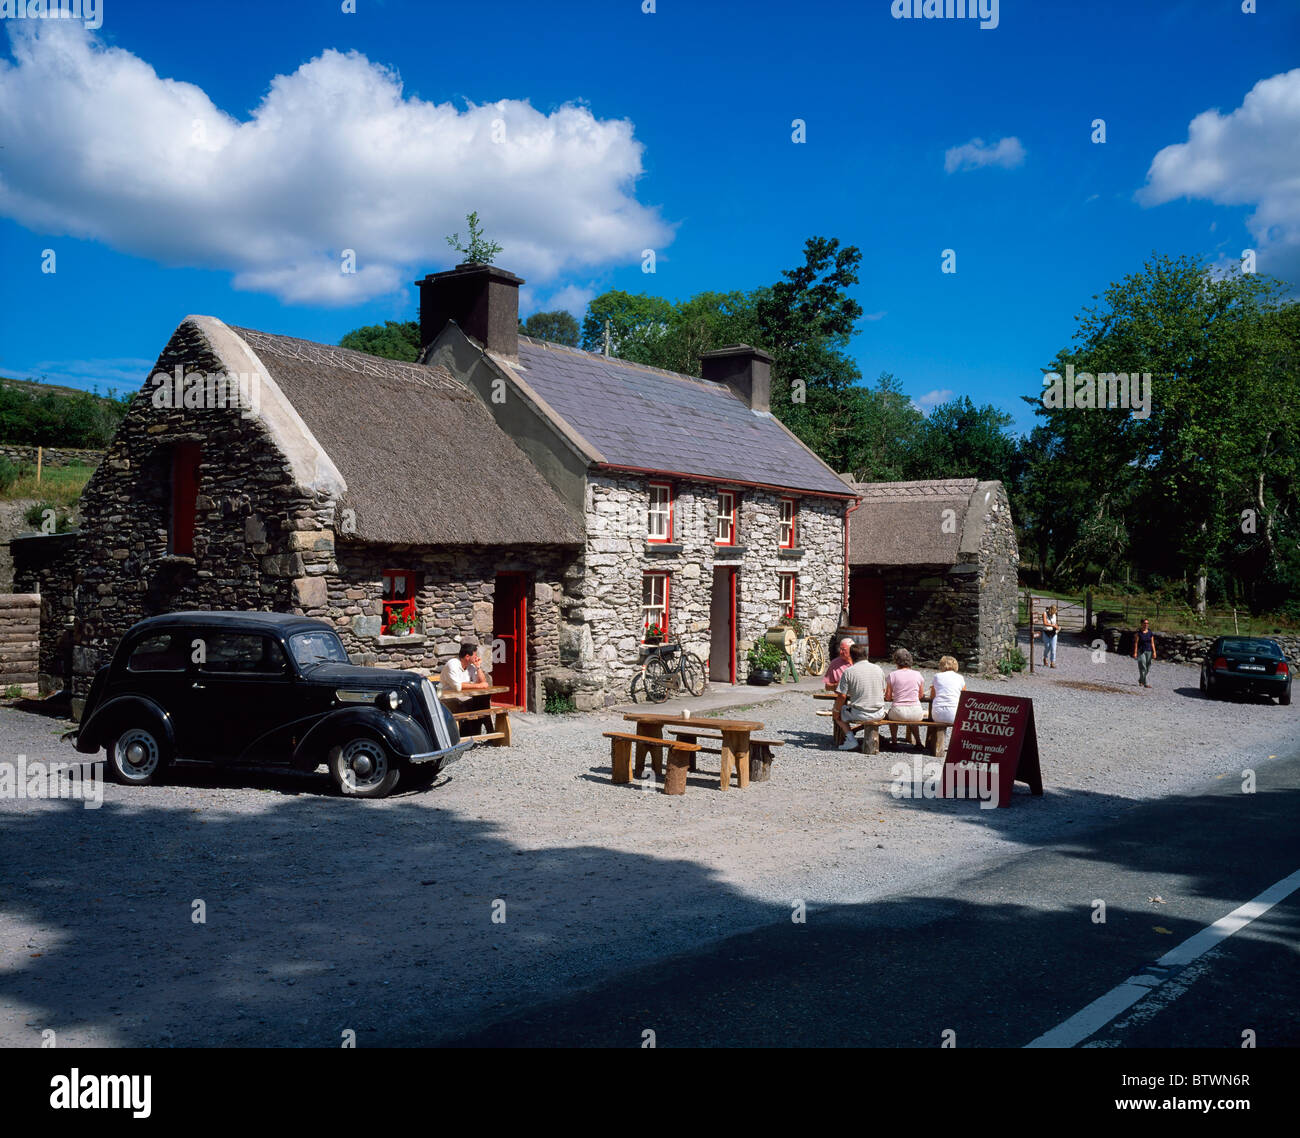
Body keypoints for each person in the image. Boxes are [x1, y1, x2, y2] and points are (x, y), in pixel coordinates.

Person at [835, 643, 887, 751]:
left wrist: (835, 710)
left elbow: (842, 696)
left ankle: (850, 739)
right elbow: (883, 690)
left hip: (860, 713)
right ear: (866, 655)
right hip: (879, 712)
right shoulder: (878, 669)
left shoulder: (849, 672)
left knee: (839, 712)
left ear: (851, 657)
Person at [883, 647, 926, 746]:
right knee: (912, 719)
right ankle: (918, 742)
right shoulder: (918, 674)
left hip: (899, 711)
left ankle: (894, 741)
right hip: (916, 712)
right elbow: (920, 695)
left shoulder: (892, 675)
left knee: (891, 715)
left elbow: (888, 697)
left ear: (896, 660)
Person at [928, 656, 966, 725]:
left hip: (938, 714)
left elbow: (932, 696)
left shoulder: (937, 676)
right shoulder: (960, 678)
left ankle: (933, 736)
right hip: (954, 714)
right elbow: (963, 698)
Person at [1133, 619, 1157, 688]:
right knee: (1143, 667)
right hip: (1141, 651)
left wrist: (1154, 652)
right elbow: (1136, 643)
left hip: (1149, 651)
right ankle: (1145, 683)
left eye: (1147, 623)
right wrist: (1135, 652)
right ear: (1141, 624)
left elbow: (1152, 643)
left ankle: (1141, 680)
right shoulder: (1138, 633)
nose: (1146, 624)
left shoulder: (1150, 632)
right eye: (1144, 623)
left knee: (1147, 667)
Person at [1041, 604, 1059, 669]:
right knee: (1047, 647)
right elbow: (1045, 623)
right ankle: (1045, 657)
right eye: (1054, 612)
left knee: (1053, 649)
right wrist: (1053, 626)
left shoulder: (1054, 615)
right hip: (1046, 632)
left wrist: (1057, 627)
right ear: (1051, 610)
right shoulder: (1044, 614)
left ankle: (1052, 662)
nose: (1054, 613)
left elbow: (1055, 623)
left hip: (1053, 633)